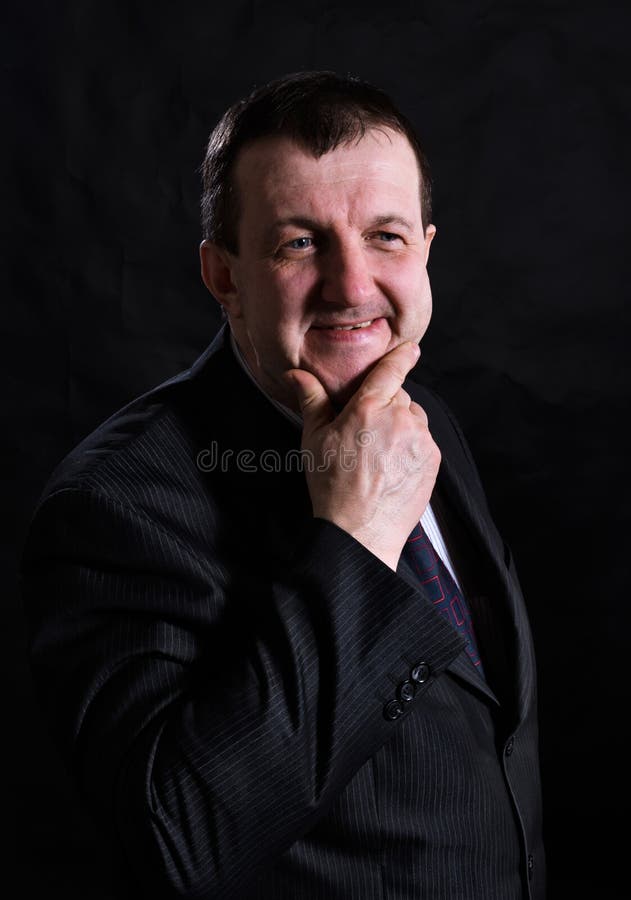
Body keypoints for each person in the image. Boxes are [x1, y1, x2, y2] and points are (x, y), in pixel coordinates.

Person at [21, 71, 545, 899]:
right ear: (224, 276)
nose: (352, 286)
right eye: (300, 242)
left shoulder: (420, 416)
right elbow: (179, 845)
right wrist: (359, 540)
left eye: (386, 237)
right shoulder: (116, 505)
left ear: (427, 250)